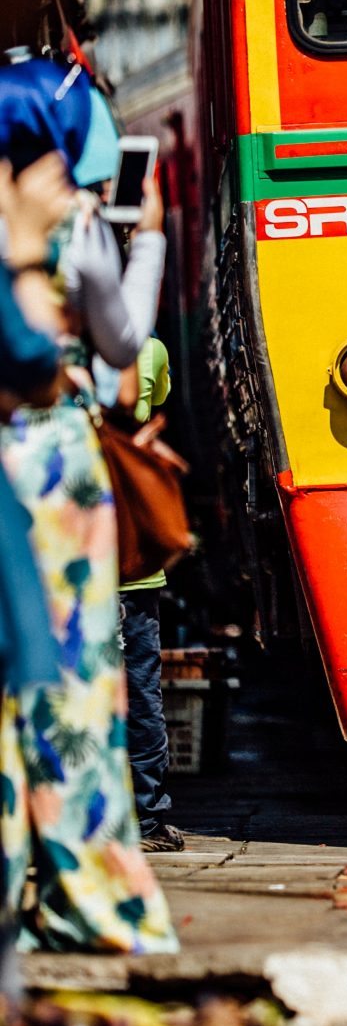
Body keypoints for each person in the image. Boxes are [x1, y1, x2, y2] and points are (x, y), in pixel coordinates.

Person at [0, 58, 175, 953]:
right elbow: (119, 351)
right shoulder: (66, 229)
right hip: (52, 466)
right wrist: (146, 242)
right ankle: (87, 890)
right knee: (70, 679)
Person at [114, 336, 179, 851]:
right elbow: (154, 409)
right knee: (142, 693)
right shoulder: (148, 350)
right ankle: (150, 819)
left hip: (70, 555)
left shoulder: (40, 348)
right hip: (134, 556)